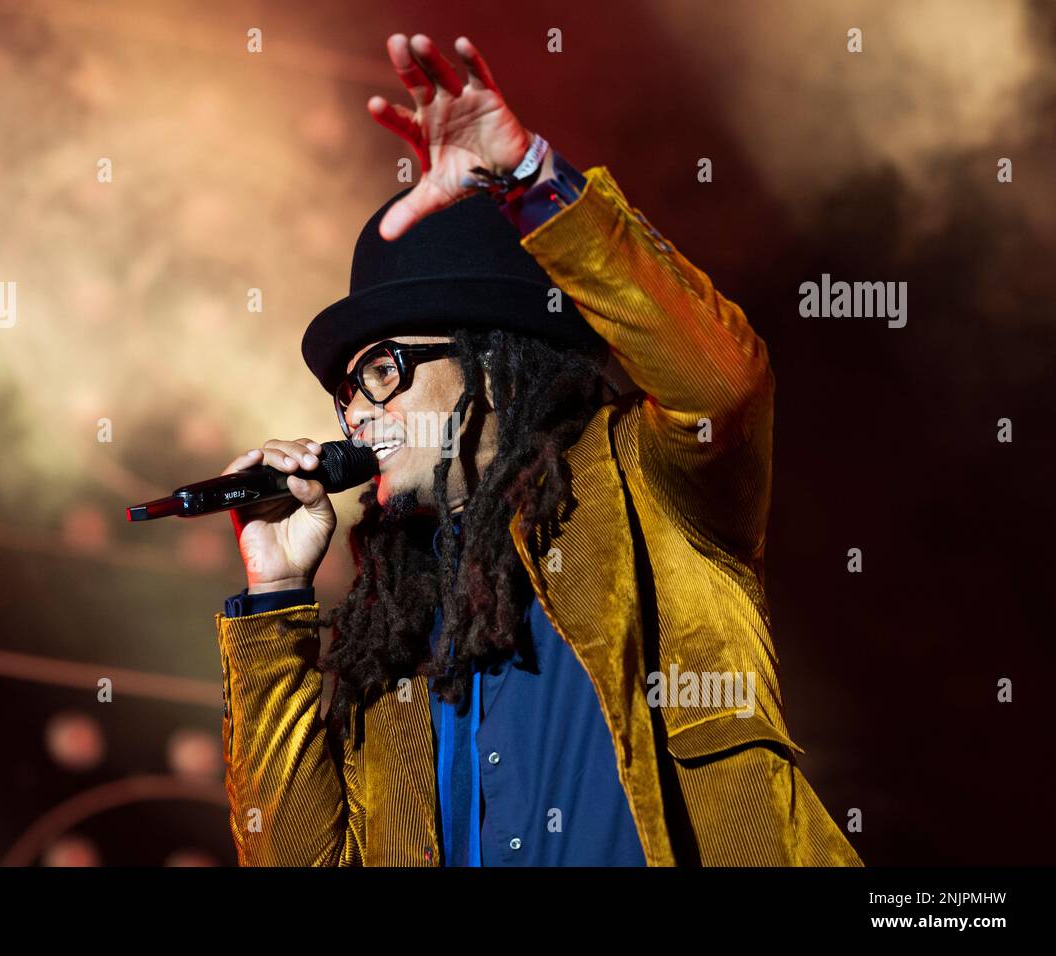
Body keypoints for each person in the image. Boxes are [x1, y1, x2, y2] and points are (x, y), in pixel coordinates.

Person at [213, 32, 861, 867]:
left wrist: (532, 182)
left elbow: (724, 383)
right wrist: (276, 598)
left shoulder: (645, 482)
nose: (354, 413)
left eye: (381, 370)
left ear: (493, 360)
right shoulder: (391, 630)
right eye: (342, 392)